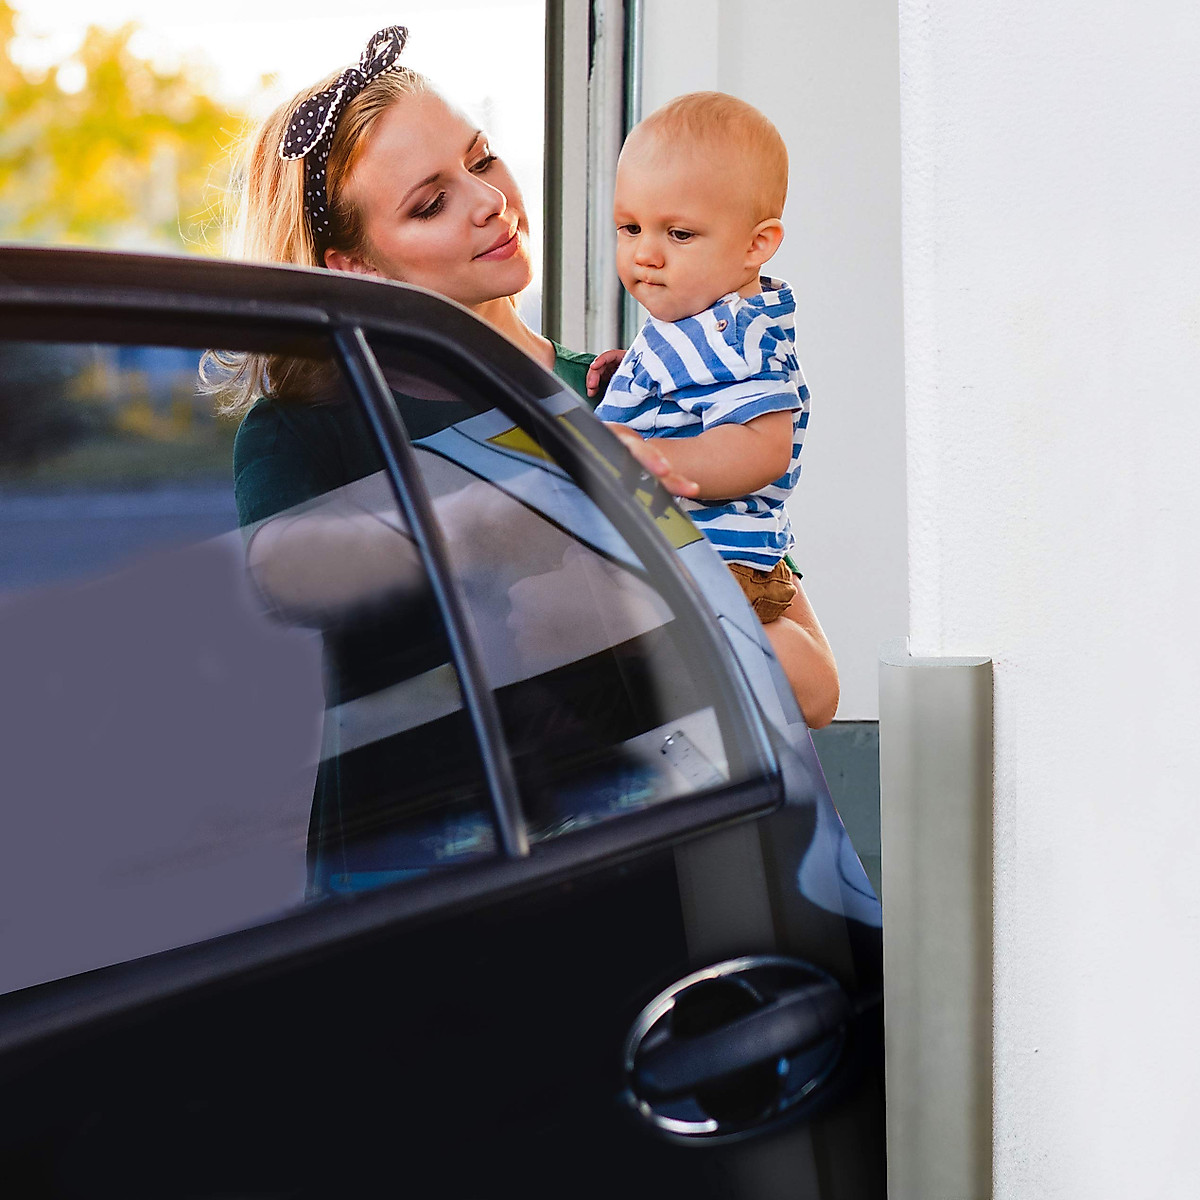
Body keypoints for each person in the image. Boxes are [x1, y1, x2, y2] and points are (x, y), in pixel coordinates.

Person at [592, 92, 826, 705]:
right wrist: (636, 379)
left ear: (756, 245)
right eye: (630, 227)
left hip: (712, 562)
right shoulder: (696, 330)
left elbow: (763, 446)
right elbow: (703, 398)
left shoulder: (731, 334)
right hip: (690, 559)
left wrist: (652, 458)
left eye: (678, 233)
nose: (645, 252)